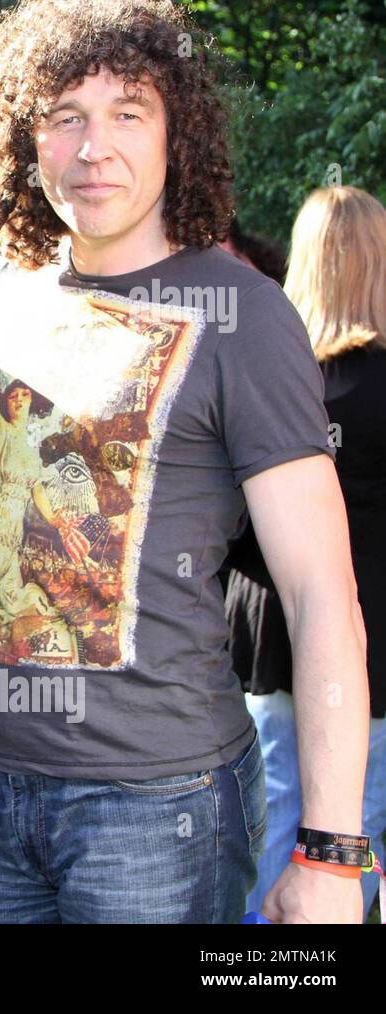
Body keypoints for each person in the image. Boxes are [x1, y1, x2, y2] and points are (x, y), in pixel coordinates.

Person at [0, 0, 369, 924]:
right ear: (26, 139)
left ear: (178, 133)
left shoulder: (244, 315)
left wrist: (332, 851)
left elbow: (320, 589)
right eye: (64, 116)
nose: (95, 148)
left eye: (129, 112)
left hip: (158, 807)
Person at [228, 186, 386, 920]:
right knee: (356, 821)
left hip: (268, 632)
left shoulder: (269, 375)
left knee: (276, 806)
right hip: (371, 642)